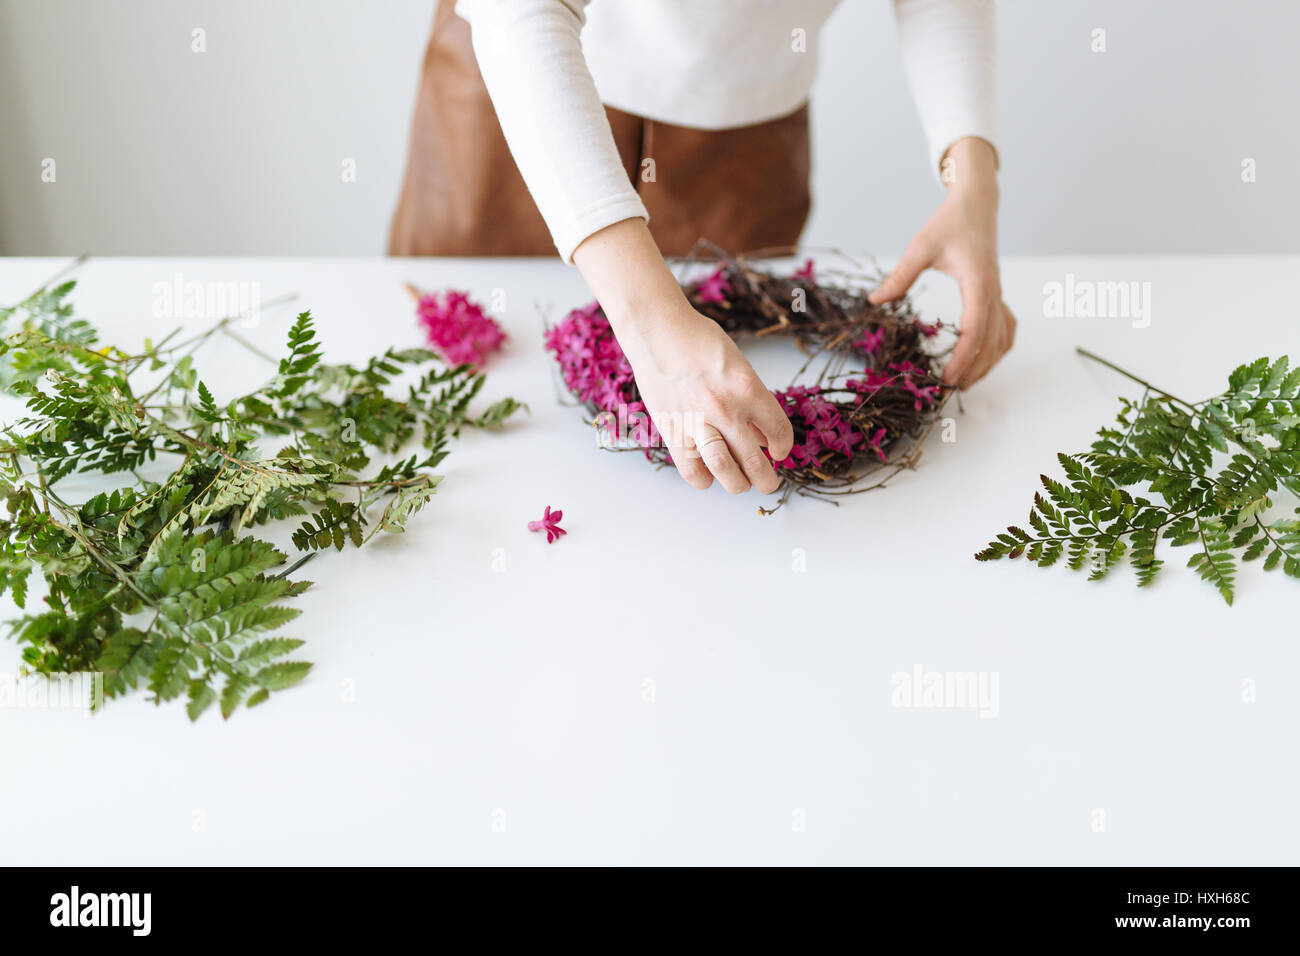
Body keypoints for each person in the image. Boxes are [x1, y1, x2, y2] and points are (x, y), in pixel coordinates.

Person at [390, 0, 1016, 496]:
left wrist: (973, 182)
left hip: (743, 134)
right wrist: (651, 321)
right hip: (531, 89)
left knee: (715, 454)